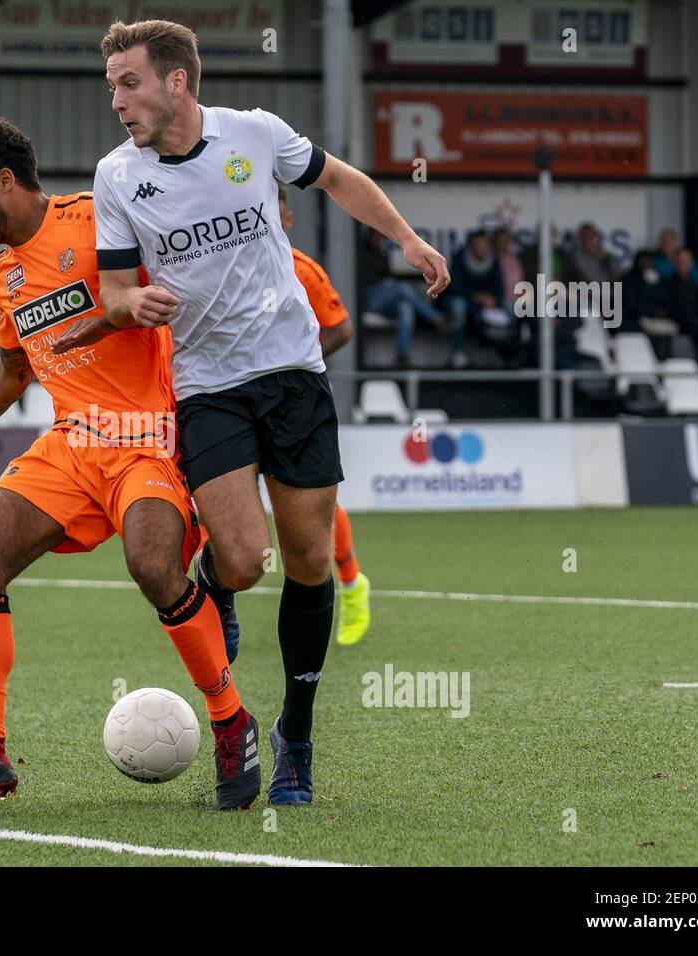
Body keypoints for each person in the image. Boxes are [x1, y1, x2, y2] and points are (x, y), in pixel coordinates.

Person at [53, 19, 449, 805]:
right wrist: (135, 305)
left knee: (309, 562)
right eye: (111, 88)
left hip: (294, 374)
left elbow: (338, 180)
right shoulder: (116, 177)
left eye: (129, 84)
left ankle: (295, 735)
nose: (118, 101)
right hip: (207, 386)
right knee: (239, 561)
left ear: (176, 81)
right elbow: (115, 291)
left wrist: (405, 238)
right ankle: (220, 587)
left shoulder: (254, 135)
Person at [0, 117, 258, 811]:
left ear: (6, 183)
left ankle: (230, 720)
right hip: (71, 443)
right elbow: (8, 375)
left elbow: (192, 285)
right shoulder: (5, 274)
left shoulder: (102, 219)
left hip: (149, 437)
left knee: (155, 568)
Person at [278, 183, 369, 647]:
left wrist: (296, 360)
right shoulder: (214, 266)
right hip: (228, 397)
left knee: (313, 505)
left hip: (296, 399)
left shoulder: (301, 270)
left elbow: (341, 328)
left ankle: (351, 582)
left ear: (287, 221)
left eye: (276, 212)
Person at [359, 228, 447, 367]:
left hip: (383, 298)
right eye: (377, 236)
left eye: (381, 236)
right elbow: (366, 279)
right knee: (402, 288)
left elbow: (387, 275)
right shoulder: (359, 253)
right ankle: (436, 318)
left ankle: (402, 356)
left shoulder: (381, 253)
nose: (380, 239)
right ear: (369, 235)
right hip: (365, 298)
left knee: (405, 307)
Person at [441, 230, 505, 368]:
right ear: (472, 246)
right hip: (459, 299)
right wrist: (475, 297)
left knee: (508, 307)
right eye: (478, 245)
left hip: (483, 304)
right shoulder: (460, 258)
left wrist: (492, 299)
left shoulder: (493, 260)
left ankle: (505, 355)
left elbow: (499, 287)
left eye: (484, 245)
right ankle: (457, 352)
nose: (482, 249)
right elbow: (455, 287)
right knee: (459, 306)